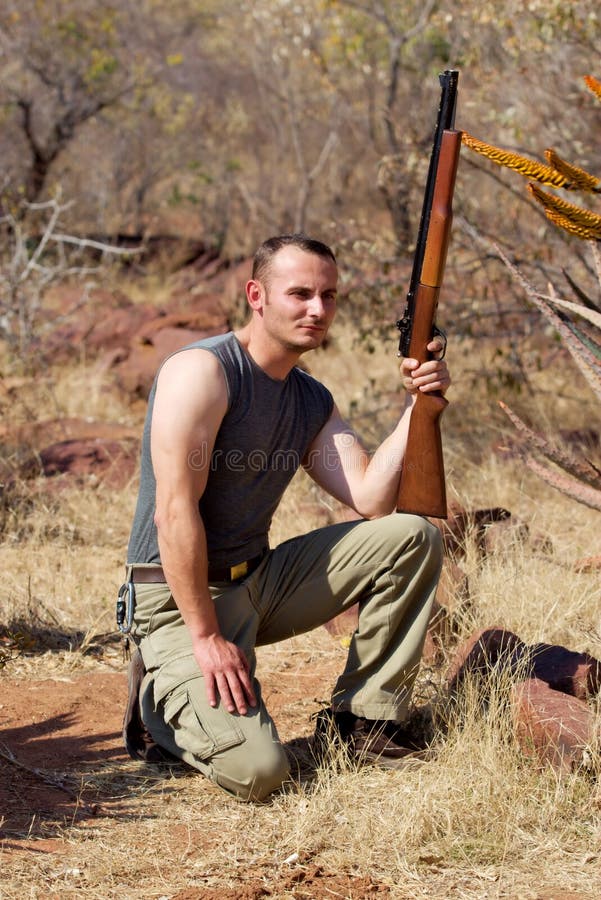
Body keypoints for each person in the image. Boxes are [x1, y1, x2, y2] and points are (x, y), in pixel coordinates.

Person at [122, 233, 450, 802]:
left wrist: (418, 407)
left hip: (257, 583)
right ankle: (159, 706)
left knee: (411, 536)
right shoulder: (202, 373)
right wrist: (204, 636)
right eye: (300, 293)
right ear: (257, 295)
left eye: (329, 296)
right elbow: (174, 515)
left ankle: (365, 722)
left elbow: (371, 497)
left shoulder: (309, 398)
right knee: (262, 773)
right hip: (178, 604)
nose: (317, 309)